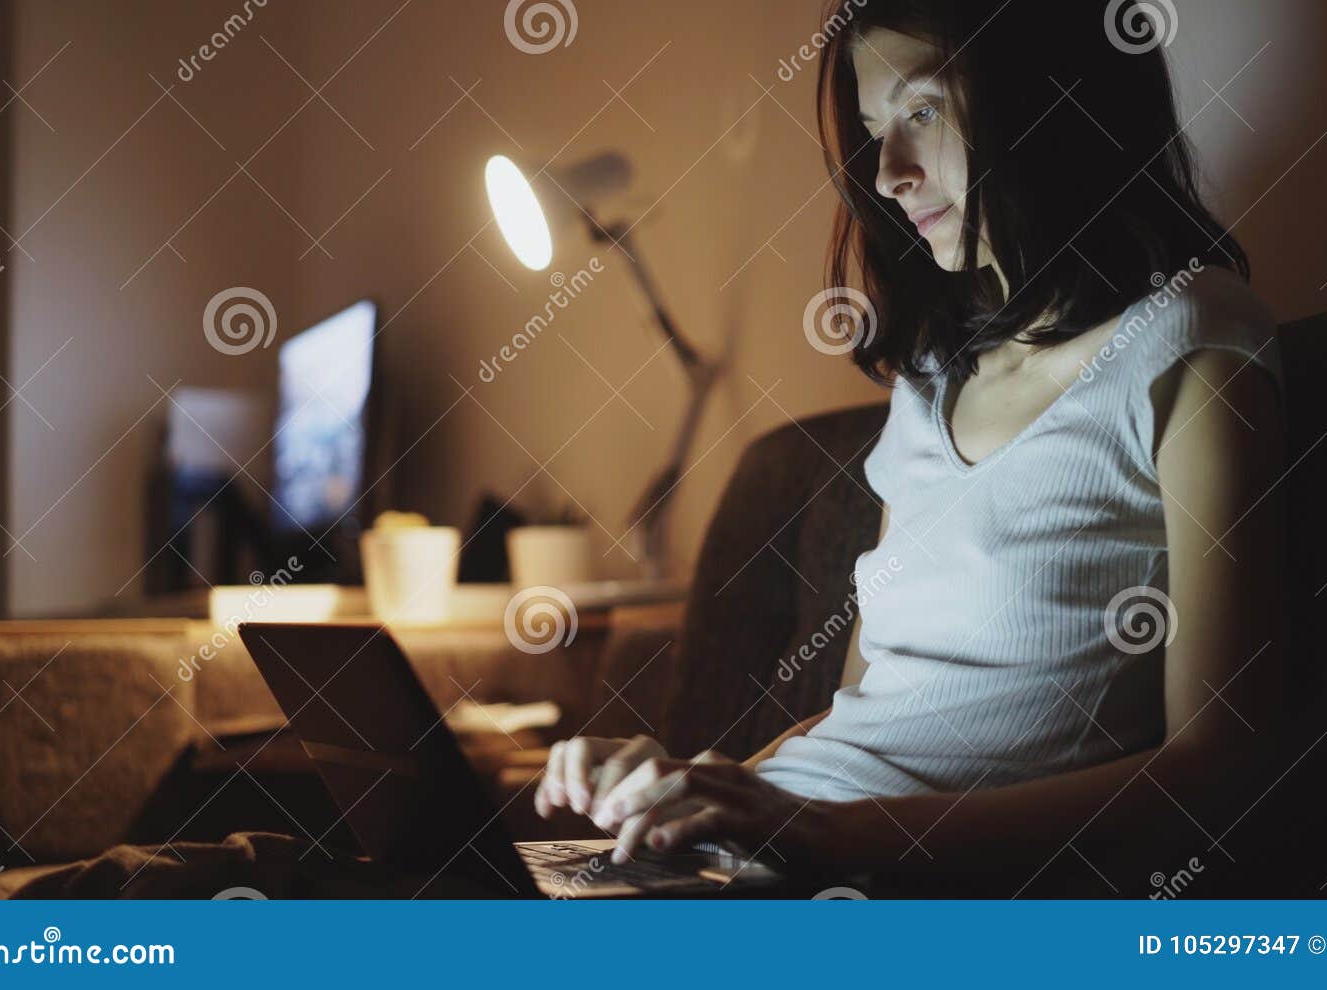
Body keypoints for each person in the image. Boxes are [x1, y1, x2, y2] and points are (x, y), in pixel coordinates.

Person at [537, 0, 1286, 885]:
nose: (887, 173)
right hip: (757, 859)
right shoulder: (931, 380)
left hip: (885, 880)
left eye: (922, 112)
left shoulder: (1188, 340)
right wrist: (703, 784)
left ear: (1050, 95)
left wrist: (822, 838)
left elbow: (1217, 764)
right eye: (872, 129)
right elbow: (865, 710)